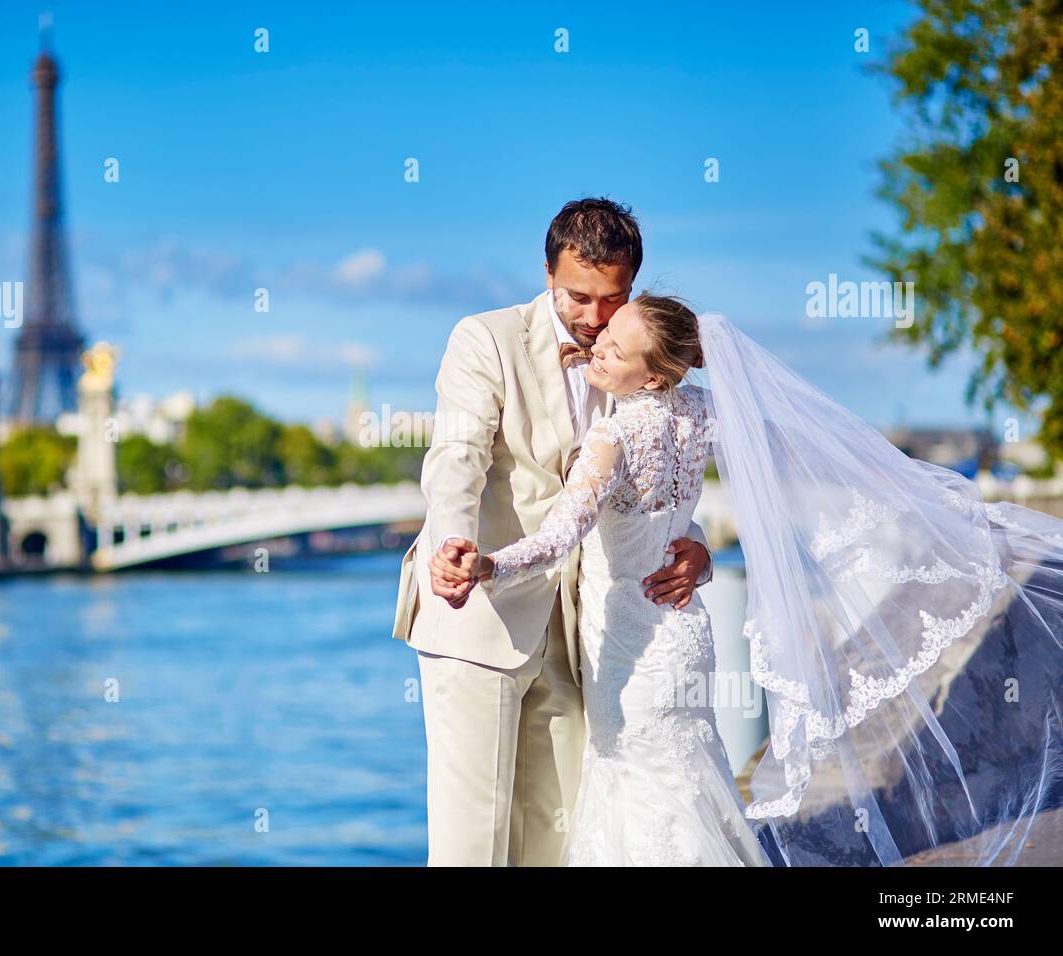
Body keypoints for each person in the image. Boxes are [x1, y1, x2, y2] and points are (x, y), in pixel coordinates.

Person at [439, 295, 1063, 866]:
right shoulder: (702, 412)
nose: (596, 343)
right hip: (683, 633)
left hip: (629, 647)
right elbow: (790, 449)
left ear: (653, 375)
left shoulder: (611, 437)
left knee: (634, 786)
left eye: (613, 346)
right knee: (688, 779)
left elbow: (559, 536)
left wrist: (490, 565)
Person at [390, 199, 714, 866]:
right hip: (478, 612)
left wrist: (698, 548)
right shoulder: (483, 338)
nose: (595, 319)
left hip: (582, 634)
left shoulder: (633, 352)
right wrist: (454, 540)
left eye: (613, 298)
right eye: (578, 296)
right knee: (472, 844)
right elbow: (457, 456)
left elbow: (649, 475)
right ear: (546, 272)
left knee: (559, 839)